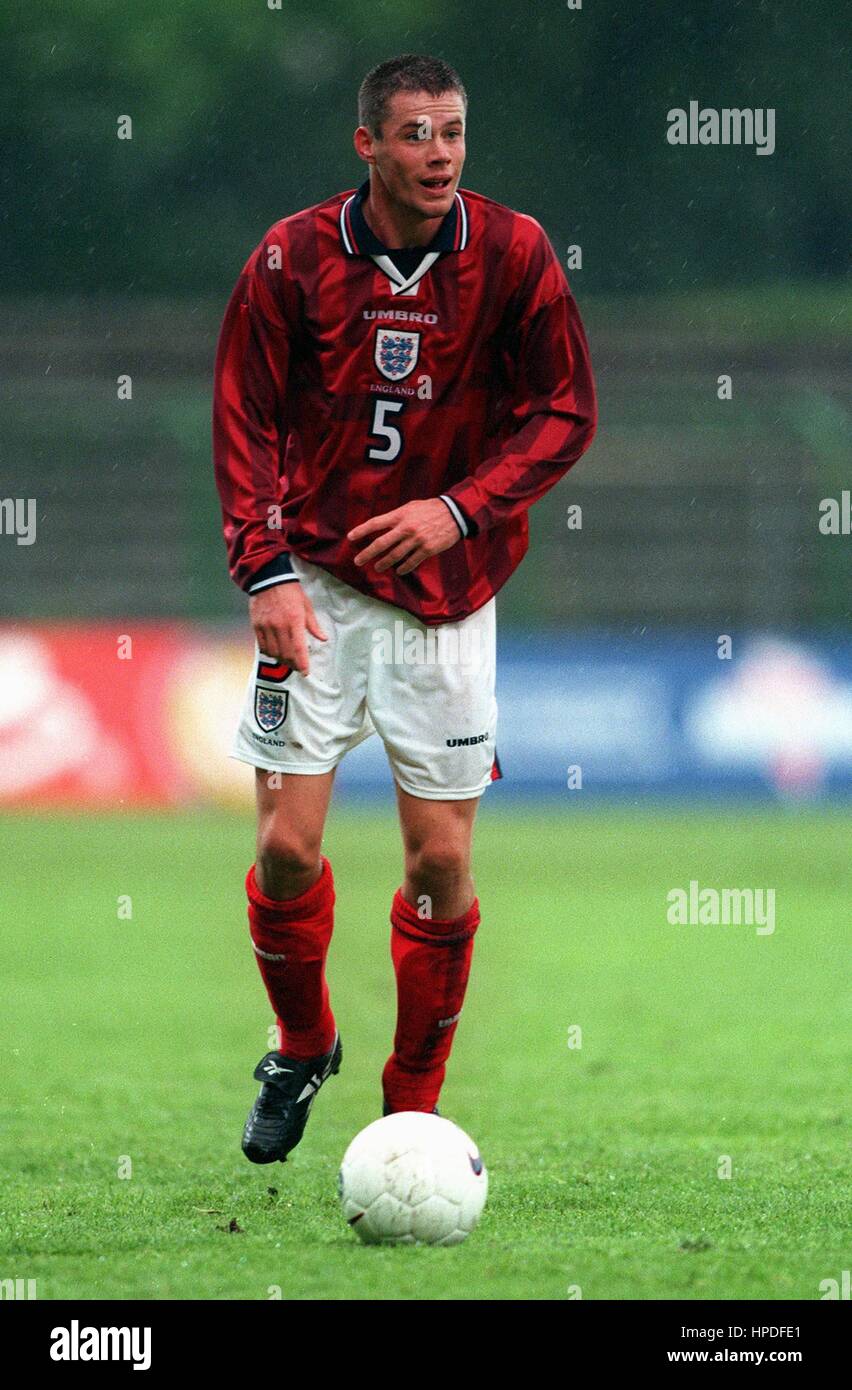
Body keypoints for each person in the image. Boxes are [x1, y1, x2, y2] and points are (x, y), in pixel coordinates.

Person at [212, 53, 596, 1164]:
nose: (441, 154)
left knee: (437, 867)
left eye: (456, 132)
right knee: (287, 847)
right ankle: (301, 1043)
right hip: (319, 587)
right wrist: (266, 571)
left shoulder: (515, 254)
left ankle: (410, 1104)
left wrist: (458, 510)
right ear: (367, 145)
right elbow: (244, 418)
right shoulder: (290, 258)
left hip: (447, 600)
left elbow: (565, 410)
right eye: (417, 133)